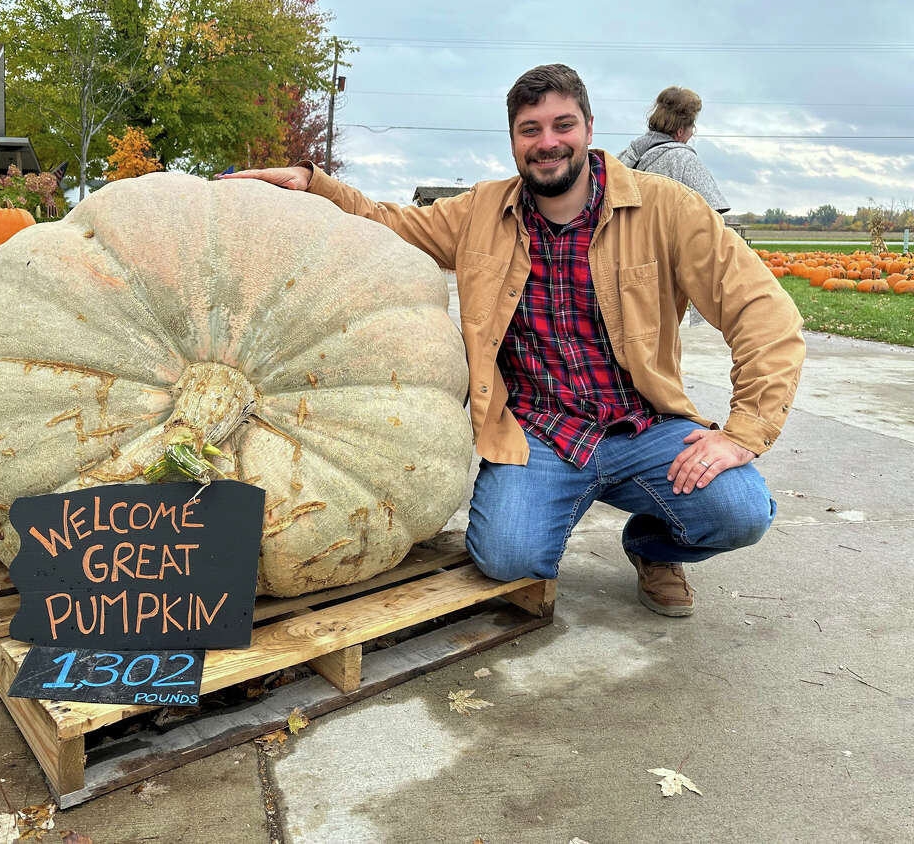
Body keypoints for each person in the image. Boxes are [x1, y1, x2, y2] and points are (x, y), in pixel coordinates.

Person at [220, 64, 803, 619]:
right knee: (507, 558)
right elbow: (390, 224)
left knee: (739, 511)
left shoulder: (667, 208)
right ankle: (552, 508)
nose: (548, 142)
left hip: (643, 424)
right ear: (514, 139)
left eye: (562, 125)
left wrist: (743, 432)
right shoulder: (481, 212)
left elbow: (763, 311)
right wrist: (312, 184)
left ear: (589, 129)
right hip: (540, 434)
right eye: (531, 130)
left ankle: (657, 545)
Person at [618, 86, 729, 213]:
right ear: (680, 131)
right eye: (692, 127)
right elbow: (712, 217)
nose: (692, 133)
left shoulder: (624, 158)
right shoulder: (684, 160)